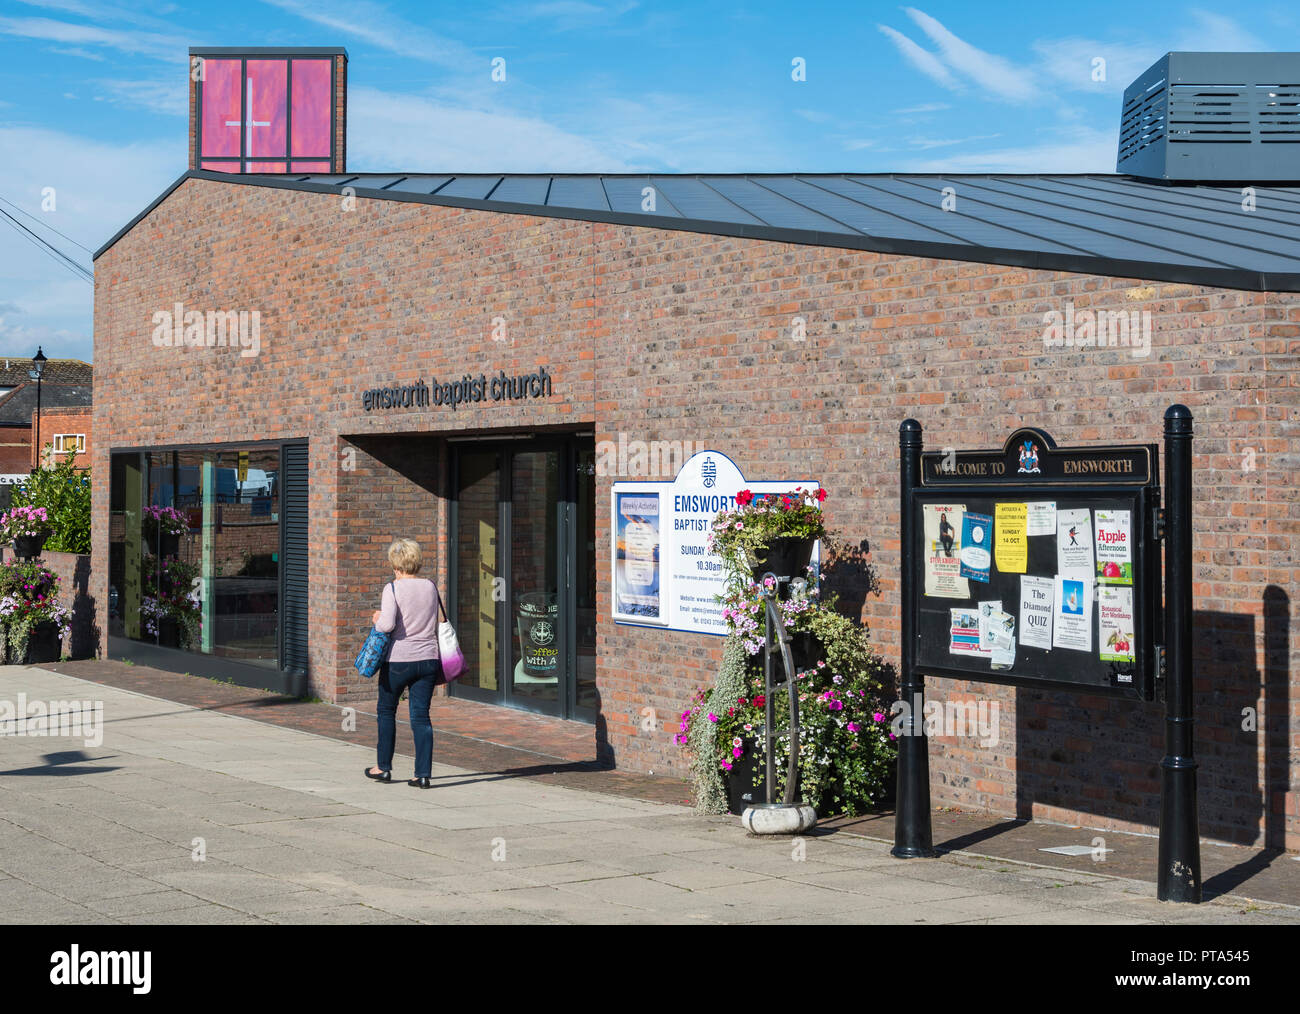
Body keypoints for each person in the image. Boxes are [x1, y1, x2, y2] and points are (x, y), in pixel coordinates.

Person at [364, 537, 443, 789]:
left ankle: (383, 768)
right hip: (429, 658)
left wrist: (377, 617)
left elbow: (386, 625)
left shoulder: (393, 588)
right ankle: (422, 774)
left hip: (398, 660)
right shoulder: (430, 586)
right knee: (421, 716)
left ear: (396, 565)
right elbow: (440, 619)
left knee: (386, 710)